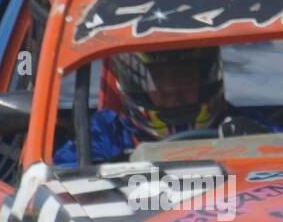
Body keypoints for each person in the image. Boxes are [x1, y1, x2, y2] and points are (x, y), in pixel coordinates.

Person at [54, 46, 228, 165]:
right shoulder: (107, 133)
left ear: (203, 77)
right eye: (157, 79)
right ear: (133, 83)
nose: (170, 89)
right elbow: (64, 178)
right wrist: (114, 170)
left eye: (184, 75)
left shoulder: (234, 125)